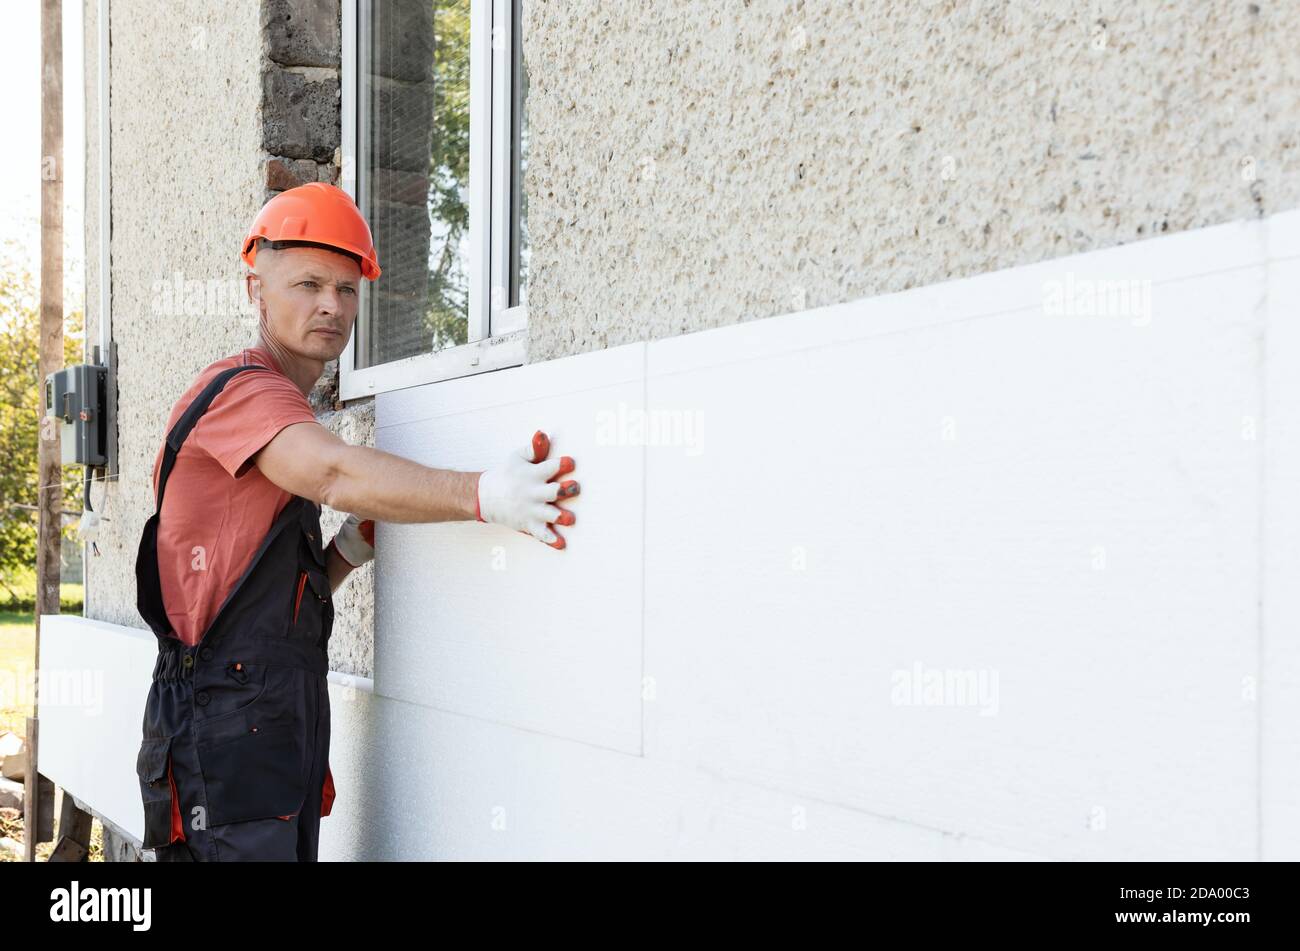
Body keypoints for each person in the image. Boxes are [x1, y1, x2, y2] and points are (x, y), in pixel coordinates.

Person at [133, 182, 579, 861]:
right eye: (308, 283)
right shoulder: (243, 392)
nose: (330, 306)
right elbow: (334, 472)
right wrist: (487, 493)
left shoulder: (282, 405)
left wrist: (343, 551)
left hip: (265, 719)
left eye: (346, 289)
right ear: (257, 291)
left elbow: (245, 603)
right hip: (224, 728)